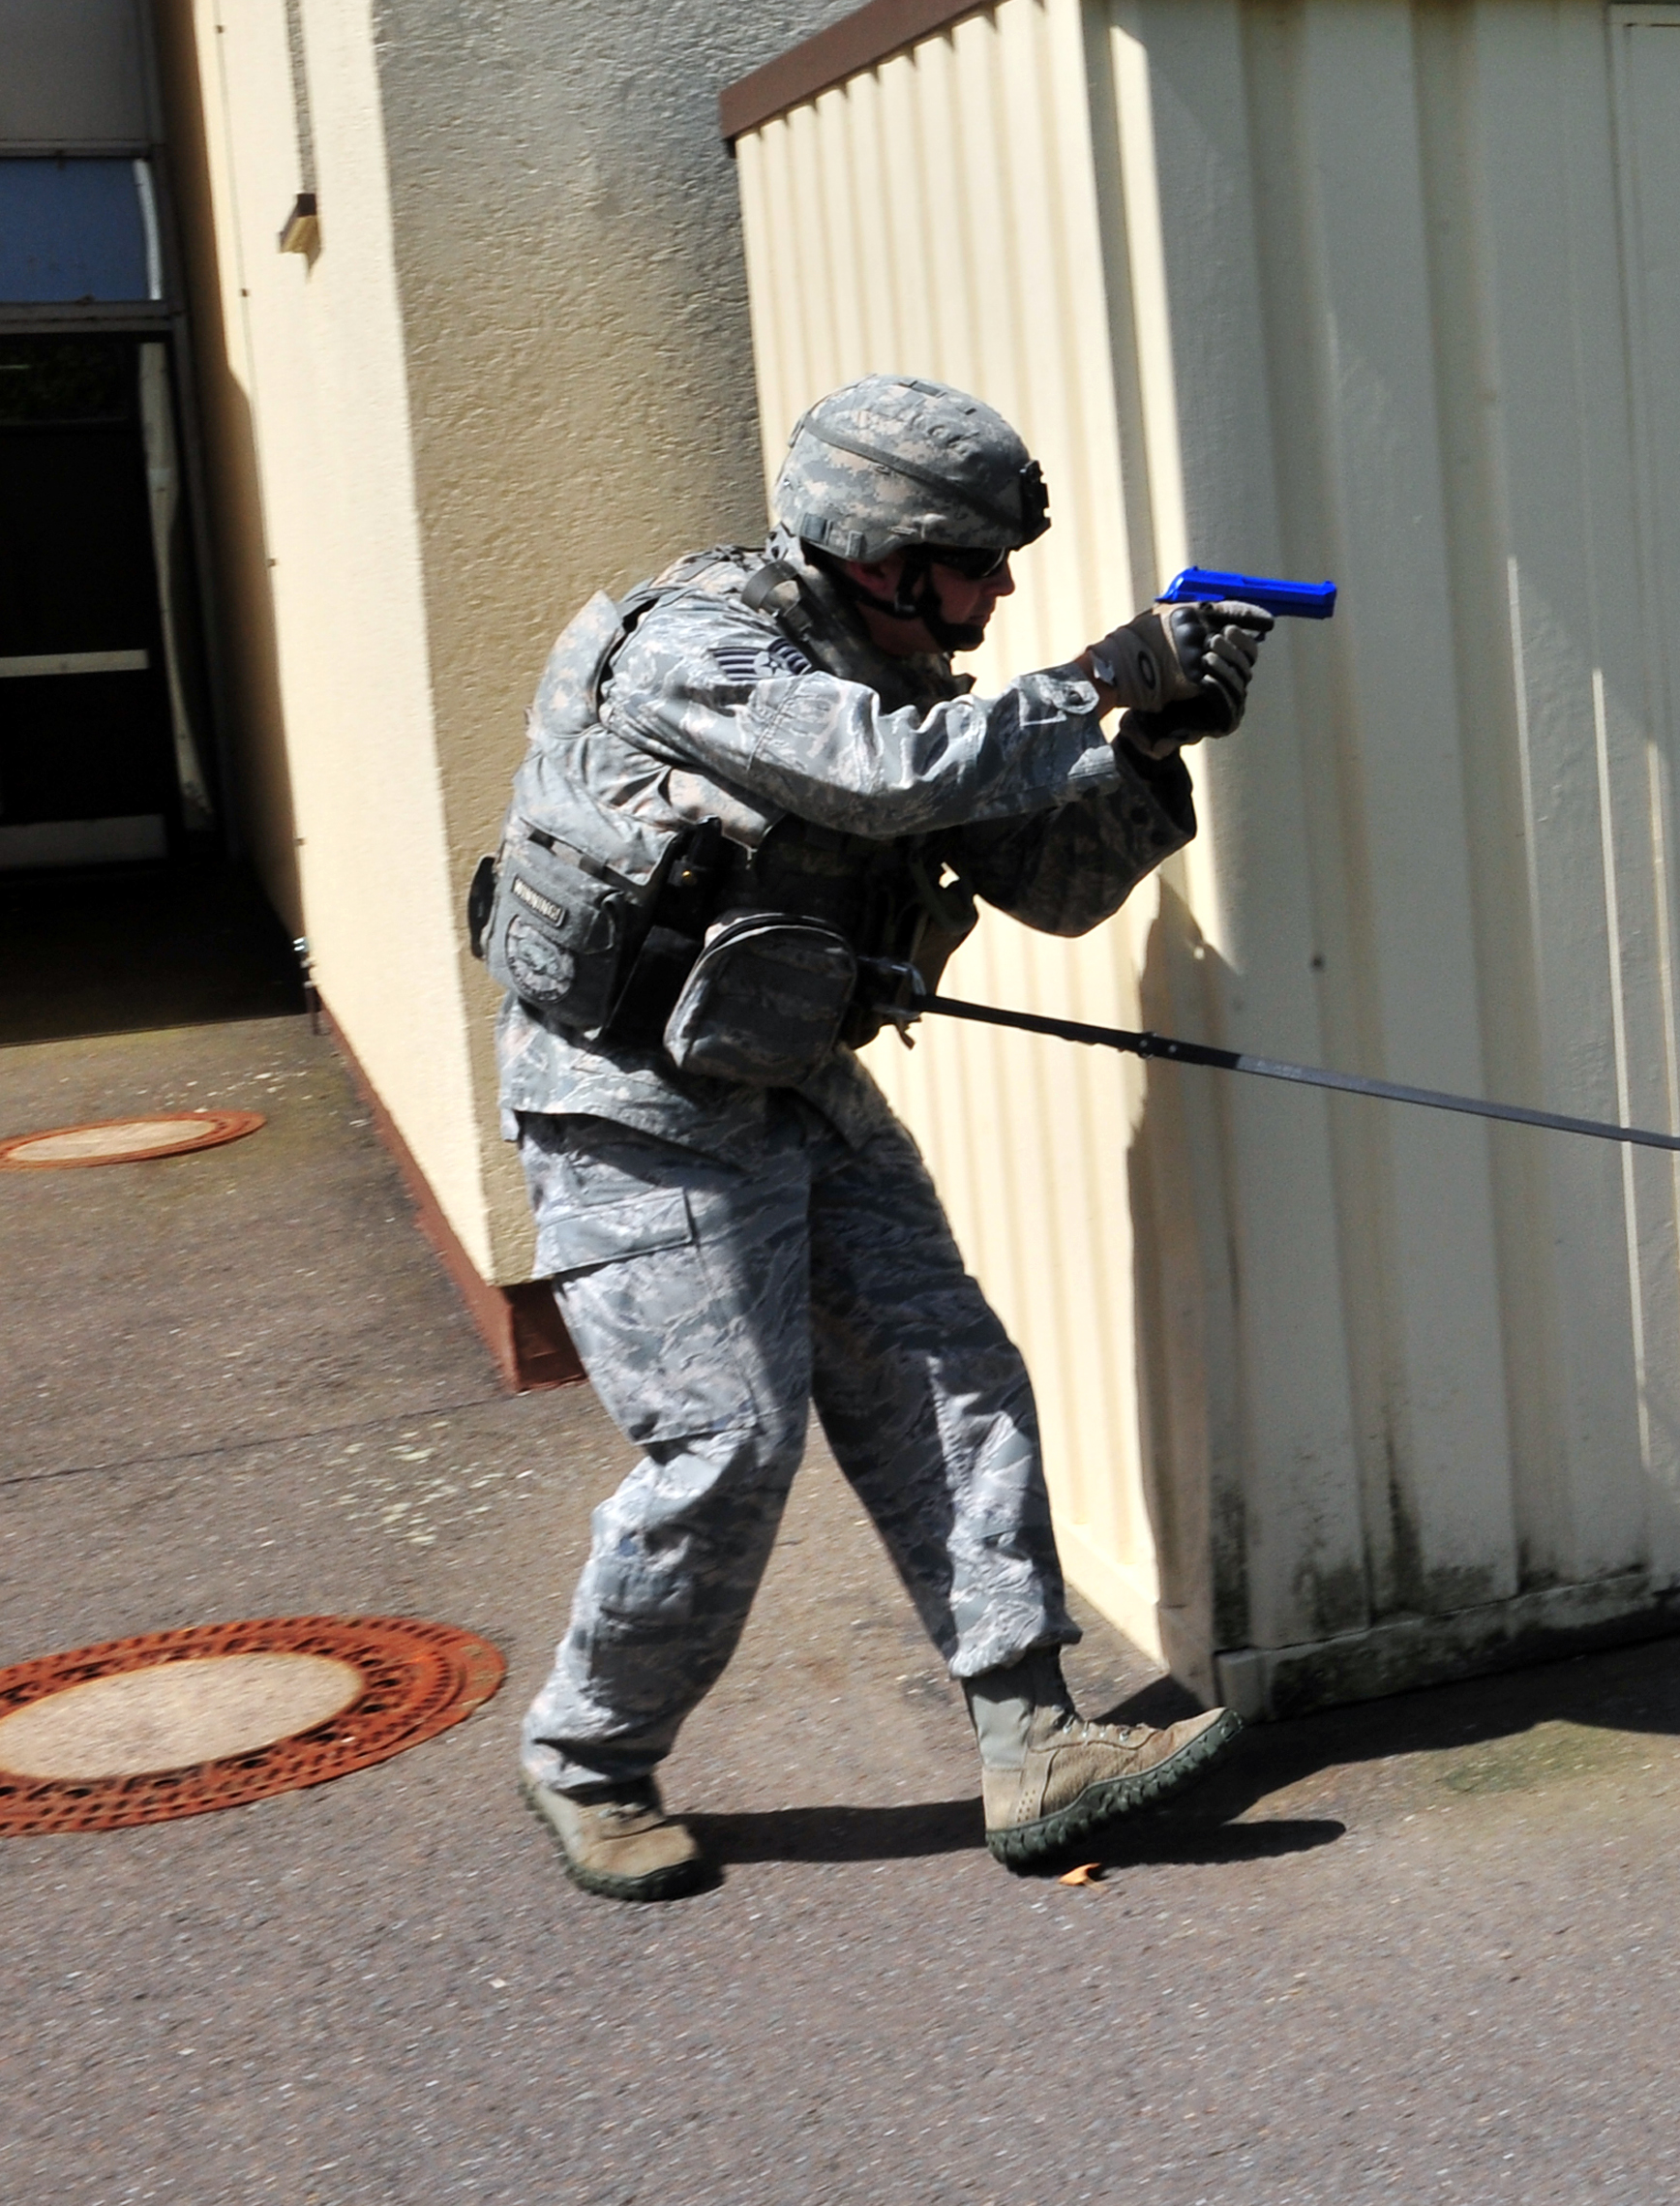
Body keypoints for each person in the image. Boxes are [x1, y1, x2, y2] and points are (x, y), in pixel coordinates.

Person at [477, 374, 1274, 1901]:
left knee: (951, 1373)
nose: (999, 590)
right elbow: (883, 773)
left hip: (795, 1079)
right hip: (632, 1106)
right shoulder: (696, 646)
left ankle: (1033, 1742)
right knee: (728, 1444)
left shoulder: (905, 682)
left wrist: (1153, 743)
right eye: (975, 562)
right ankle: (587, 1755)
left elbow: (1047, 877)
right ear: (883, 550)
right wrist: (1098, 672)